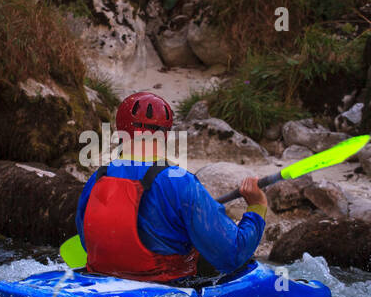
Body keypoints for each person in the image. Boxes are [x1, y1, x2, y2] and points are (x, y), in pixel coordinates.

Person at [75, 91, 267, 282]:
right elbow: (232, 254)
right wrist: (256, 207)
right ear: (165, 135)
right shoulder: (180, 181)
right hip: (167, 292)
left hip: (102, 282)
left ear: (120, 131)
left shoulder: (98, 177)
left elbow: (87, 241)